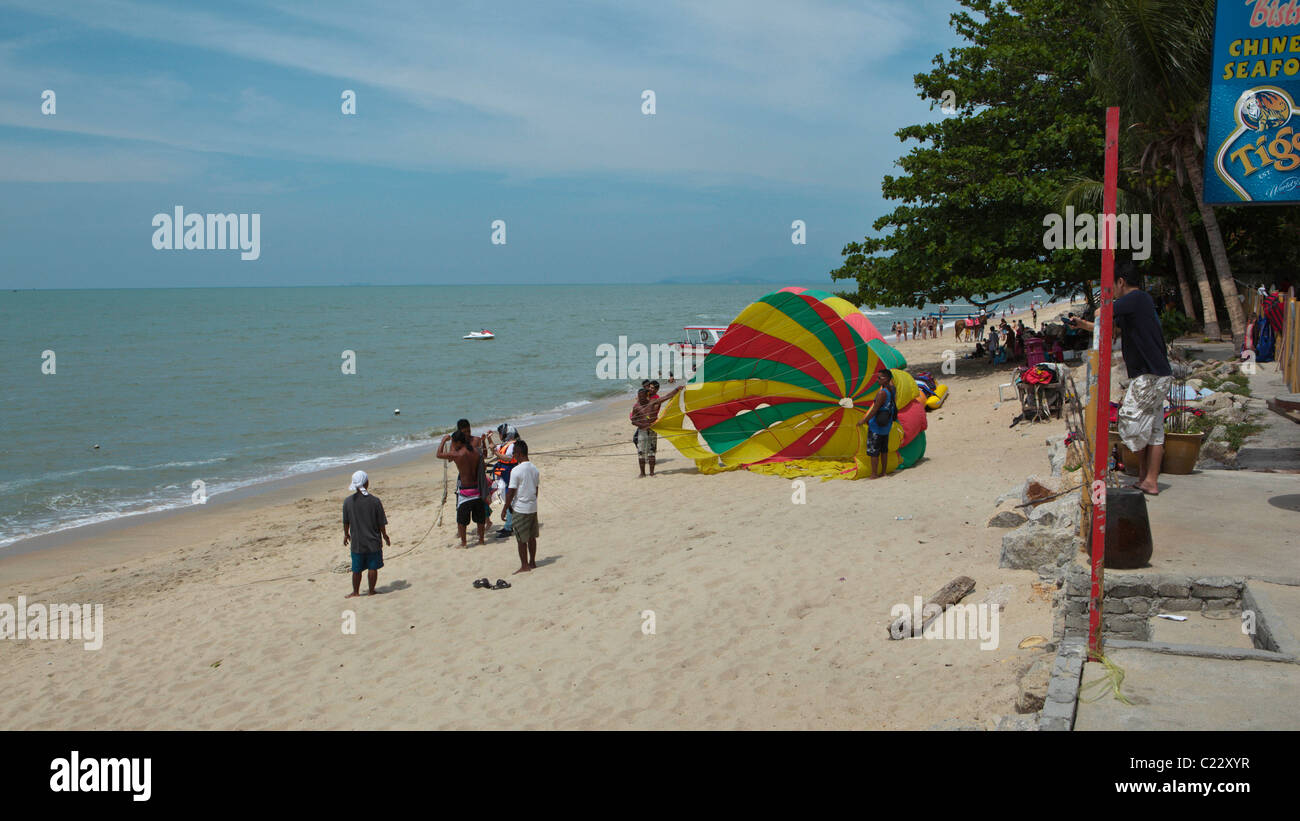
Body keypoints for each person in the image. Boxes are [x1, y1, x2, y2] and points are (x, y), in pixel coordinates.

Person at [1070, 261, 1172, 495]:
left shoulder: (1135, 299)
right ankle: (1149, 479)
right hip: (1159, 374)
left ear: (1121, 282)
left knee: (1128, 422)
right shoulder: (1139, 304)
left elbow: (1101, 312)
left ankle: (1147, 476)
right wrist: (1082, 324)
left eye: (1113, 286)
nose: (1112, 291)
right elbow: (1112, 330)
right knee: (1154, 431)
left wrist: (1101, 308)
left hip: (1148, 376)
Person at [342, 470, 390, 598]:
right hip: (373, 541)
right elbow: (381, 523)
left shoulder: (348, 502)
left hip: (357, 542)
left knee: (356, 569)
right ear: (367, 483)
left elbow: (346, 521)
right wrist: (385, 536)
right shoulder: (375, 501)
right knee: (372, 567)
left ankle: (356, 592)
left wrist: (346, 534)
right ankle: (371, 590)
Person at [437, 430, 488, 546]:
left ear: (458, 442)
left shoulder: (457, 454)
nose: (453, 445)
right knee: (480, 519)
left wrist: (444, 440)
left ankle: (464, 543)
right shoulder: (476, 452)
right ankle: (481, 540)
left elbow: (438, 454)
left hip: (465, 492)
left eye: (454, 443)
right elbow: (484, 458)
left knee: (462, 521)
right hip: (477, 490)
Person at [503, 440, 540, 574]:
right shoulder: (535, 469)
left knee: (521, 540)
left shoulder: (516, 470)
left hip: (521, 508)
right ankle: (532, 562)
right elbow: (536, 490)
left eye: (514, 454)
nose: (513, 456)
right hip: (532, 507)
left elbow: (511, 492)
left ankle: (525, 565)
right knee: (531, 537)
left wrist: (504, 509)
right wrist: (533, 502)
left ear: (519, 453)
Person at [630, 385, 683, 476]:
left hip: (652, 430)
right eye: (639, 396)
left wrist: (677, 389)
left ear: (647, 396)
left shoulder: (653, 402)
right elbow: (633, 420)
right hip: (642, 431)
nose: (640, 398)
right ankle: (642, 473)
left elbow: (667, 397)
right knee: (641, 452)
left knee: (652, 451)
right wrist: (643, 425)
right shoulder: (636, 407)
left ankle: (652, 473)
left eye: (642, 396)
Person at [856, 369, 896, 479]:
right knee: (884, 450)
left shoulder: (881, 393)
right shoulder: (892, 390)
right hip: (886, 426)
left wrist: (862, 421)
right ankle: (883, 472)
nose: (877, 380)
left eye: (880, 378)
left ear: (887, 379)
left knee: (874, 452)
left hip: (876, 427)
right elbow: (892, 382)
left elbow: (874, 409)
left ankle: (874, 474)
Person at [492, 423, 520, 537]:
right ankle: (508, 526)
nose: (499, 435)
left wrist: (495, 453)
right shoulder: (505, 445)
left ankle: (509, 527)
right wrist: (488, 439)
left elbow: (508, 458)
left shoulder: (513, 445)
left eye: (501, 433)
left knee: (510, 500)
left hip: (510, 474)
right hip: (504, 474)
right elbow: (495, 449)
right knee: (506, 499)